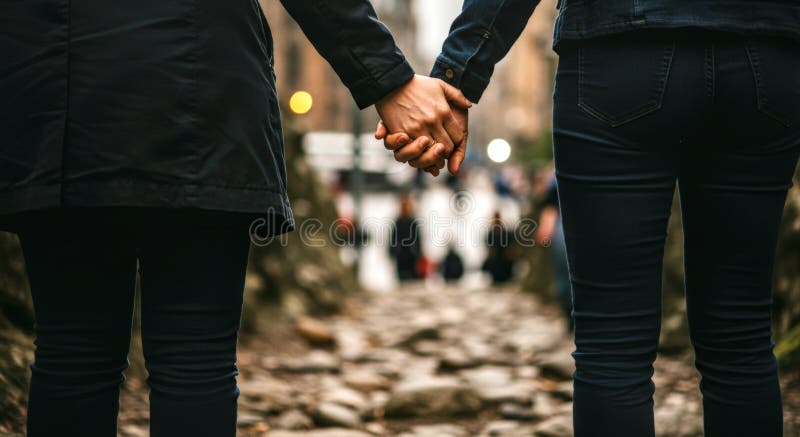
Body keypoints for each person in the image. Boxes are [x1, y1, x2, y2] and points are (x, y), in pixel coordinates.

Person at [0, 1, 470, 436]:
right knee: (194, 357)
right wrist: (388, 78)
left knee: (72, 351)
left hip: (55, 90)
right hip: (198, 87)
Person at [377, 1, 800, 435]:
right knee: (742, 337)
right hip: (768, 54)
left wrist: (455, 77)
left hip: (620, 50)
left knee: (612, 345)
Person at [389, 194, 423, 281]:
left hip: (411, 256)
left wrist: (418, 253)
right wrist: (393, 251)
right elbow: (393, 239)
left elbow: (418, 240)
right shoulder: (397, 223)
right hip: (401, 256)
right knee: (402, 278)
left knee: (413, 279)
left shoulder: (413, 223)